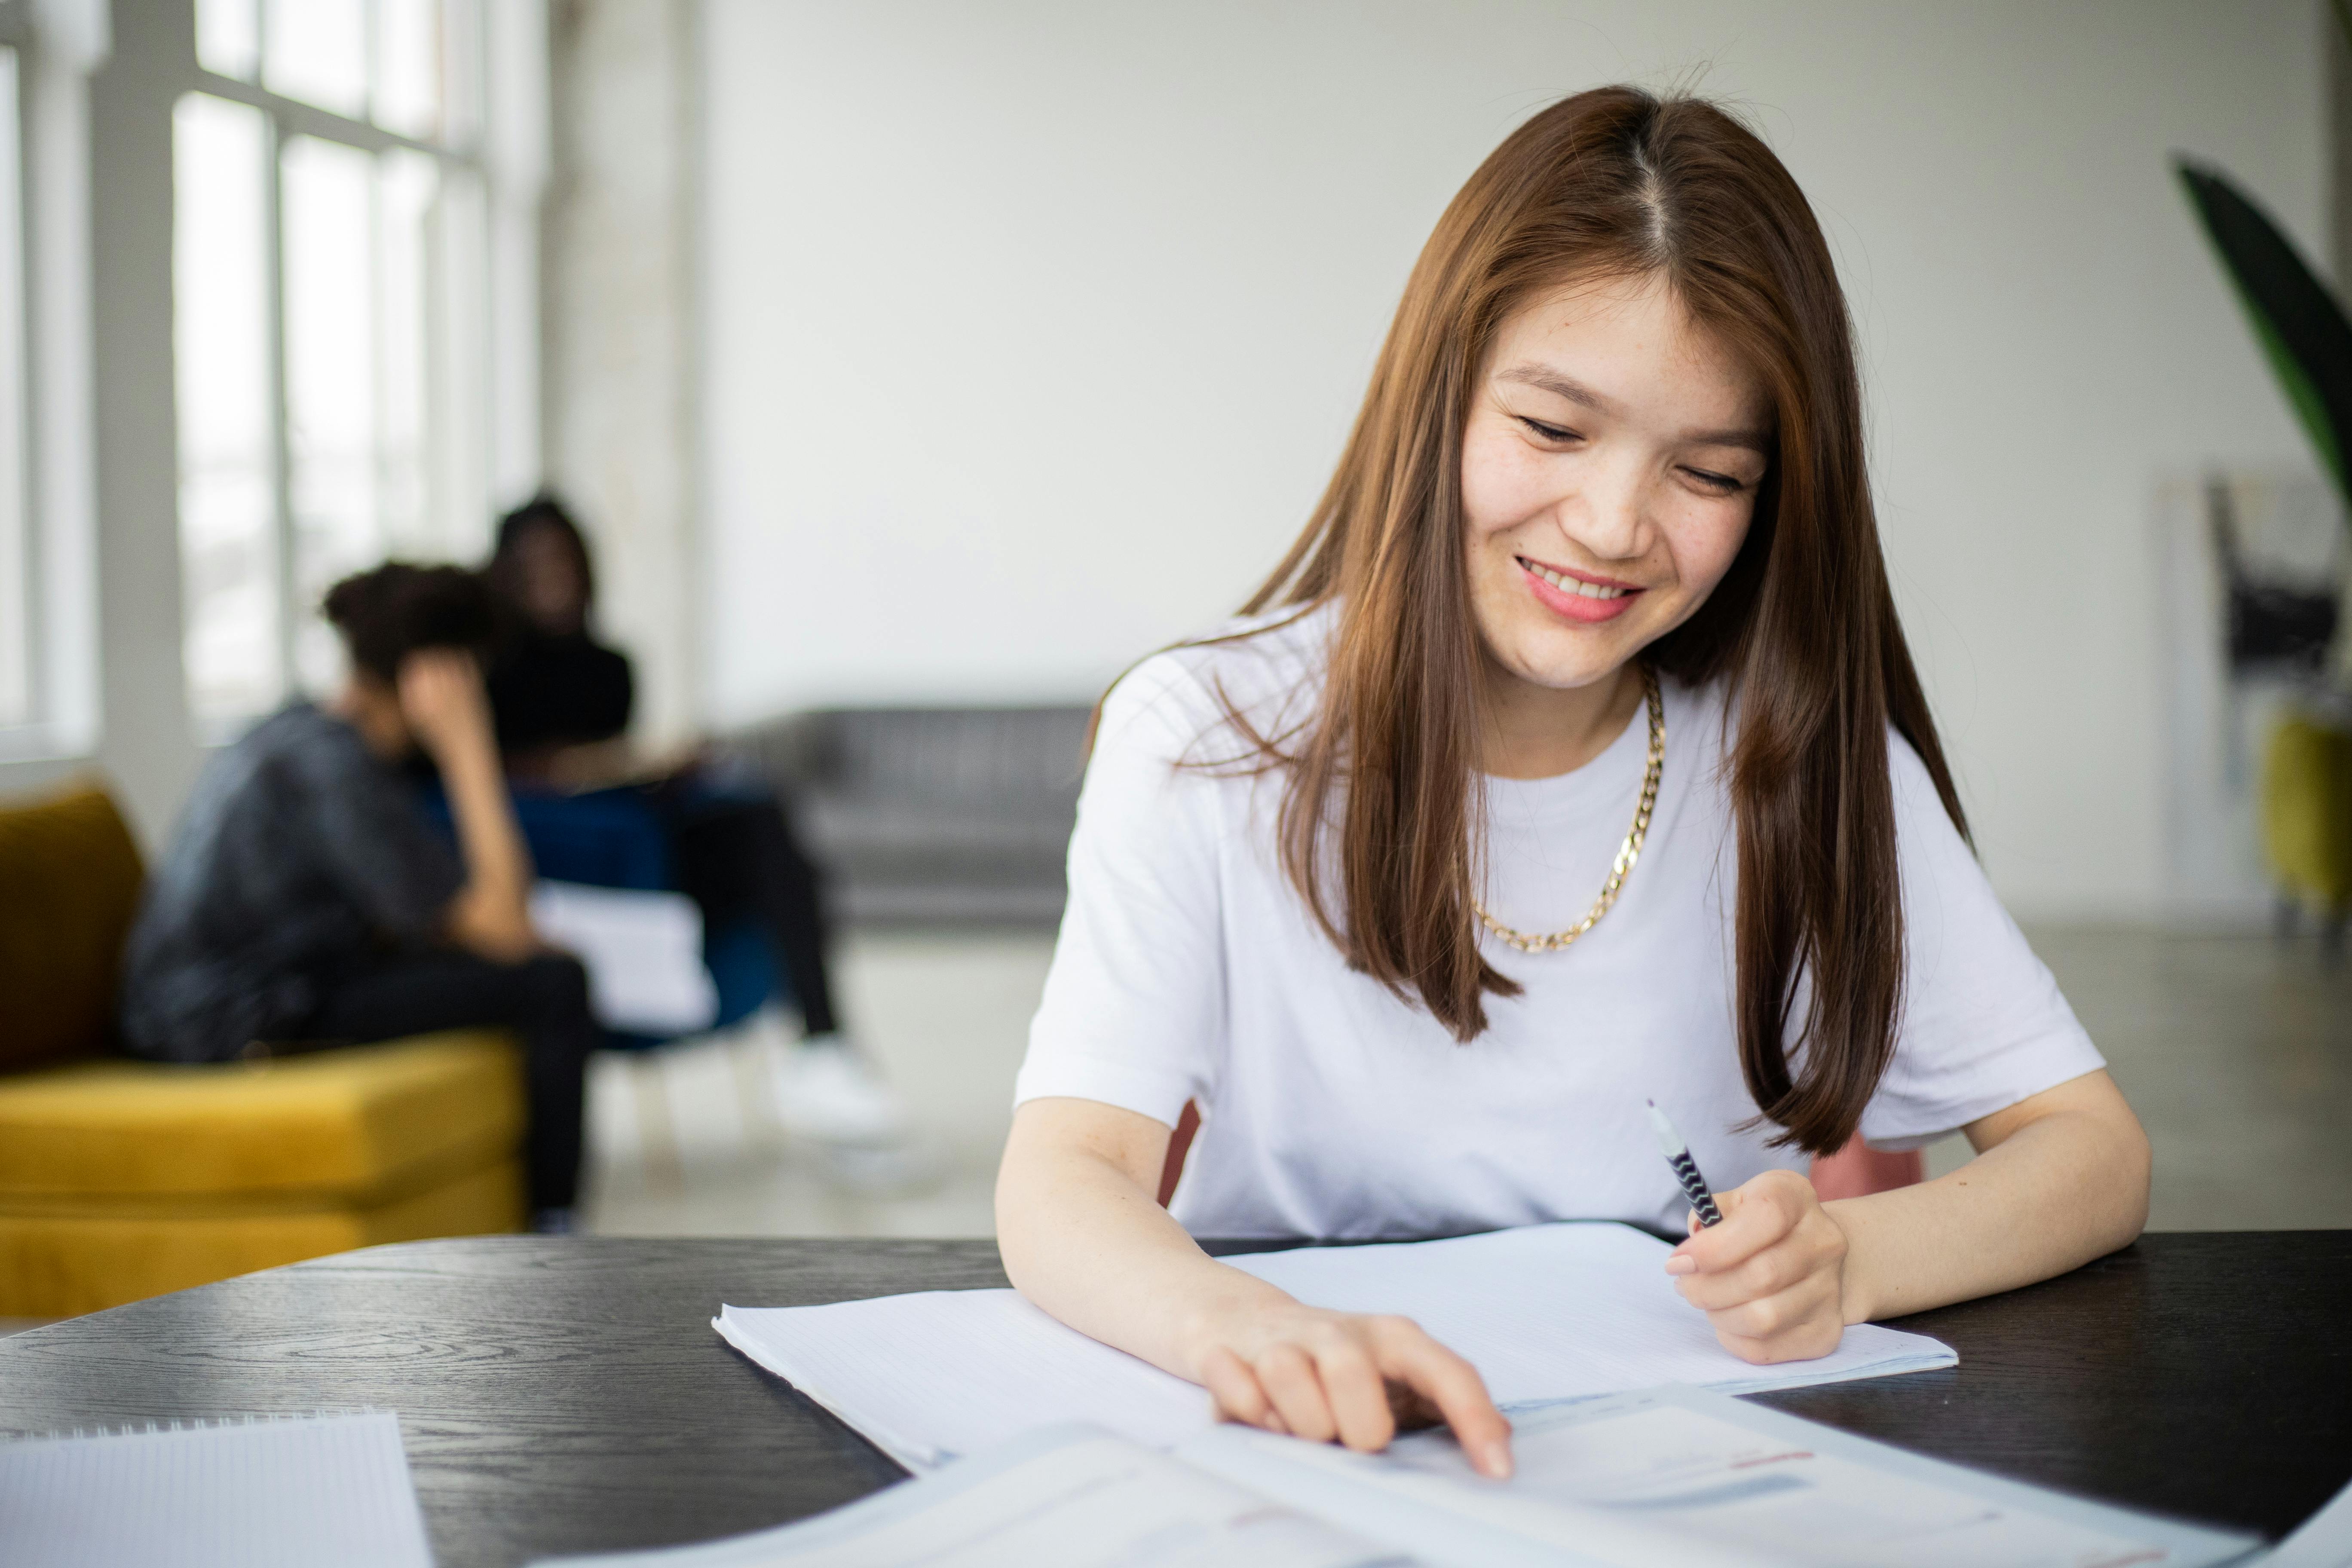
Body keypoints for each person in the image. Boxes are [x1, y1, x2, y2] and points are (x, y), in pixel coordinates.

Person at [994, 86, 2152, 1482]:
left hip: (1682, 1461)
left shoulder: (1798, 757)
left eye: (1708, 470)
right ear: (1438, 403)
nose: (1612, 524)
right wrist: (1242, 1322)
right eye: (1552, 429)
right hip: (1301, 1454)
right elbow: (1065, 1176)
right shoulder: (1205, 730)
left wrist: (1848, 1248)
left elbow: (2092, 1150)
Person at [120, 564, 595, 1233]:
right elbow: (508, 932)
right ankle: (552, 1235)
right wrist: (467, 745)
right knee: (554, 983)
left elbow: (452, 917)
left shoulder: (306, 734)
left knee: (521, 975)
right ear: (439, 674)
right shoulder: (335, 770)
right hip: (229, 1020)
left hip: (226, 1000)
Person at [479, 495, 908, 1146]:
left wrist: (661, 768)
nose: (552, 573)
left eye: (563, 558)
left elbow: (613, 765)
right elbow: (497, 780)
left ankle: (823, 1048)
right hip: (570, 861)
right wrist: (578, 769)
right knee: (766, 849)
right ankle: (821, 1050)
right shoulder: (488, 671)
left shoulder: (609, 667)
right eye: (534, 561)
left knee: (764, 821)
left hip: (635, 833)